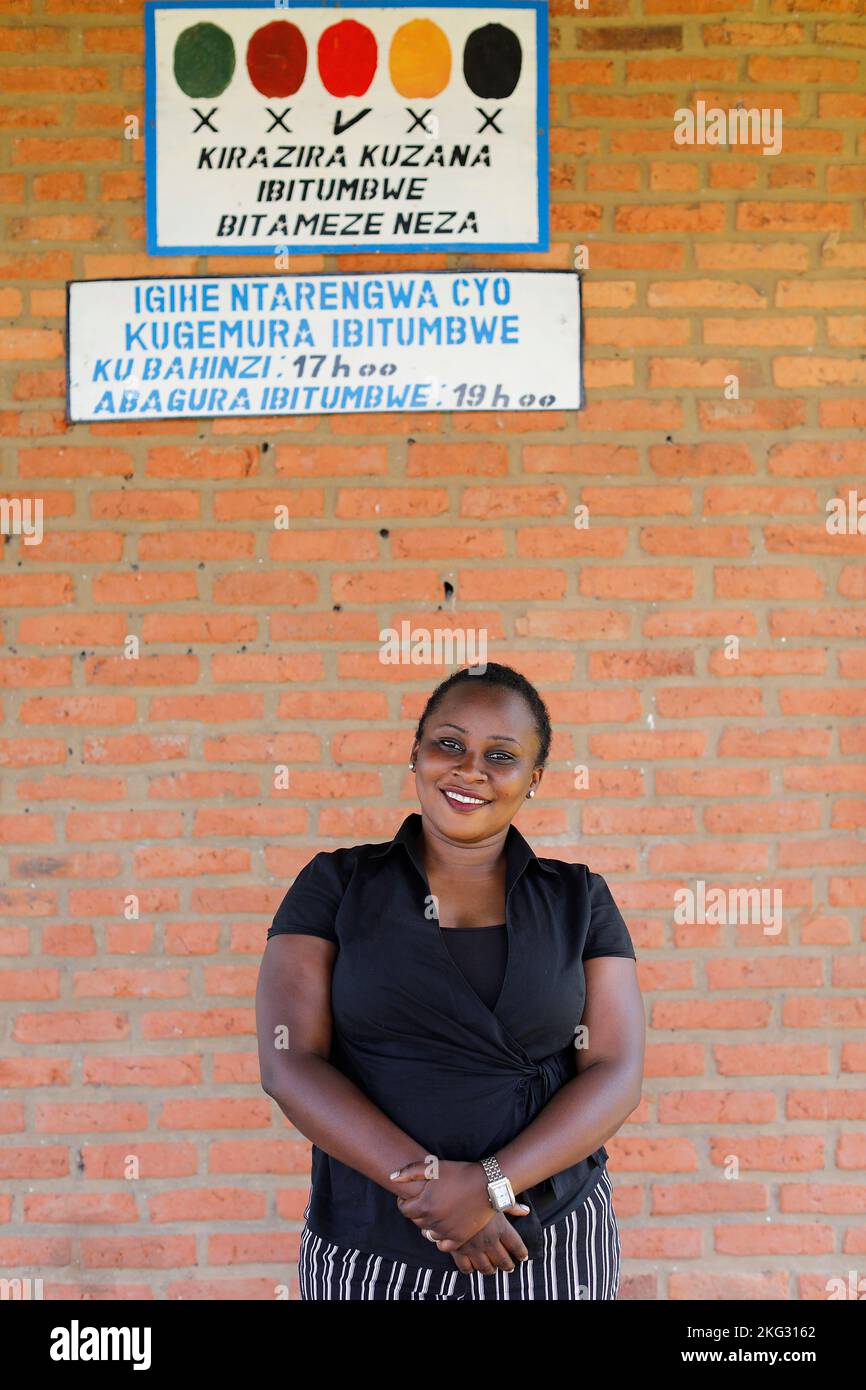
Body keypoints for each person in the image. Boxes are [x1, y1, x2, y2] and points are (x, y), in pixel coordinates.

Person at [256, 663, 645, 1300]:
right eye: (449, 744)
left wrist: (489, 1185)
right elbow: (289, 1060)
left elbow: (616, 1070)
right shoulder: (336, 885)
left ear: (534, 778)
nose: (471, 769)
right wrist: (436, 1193)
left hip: (546, 1236)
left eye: (502, 755)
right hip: (372, 1240)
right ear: (415, 753)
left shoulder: (580, 899)